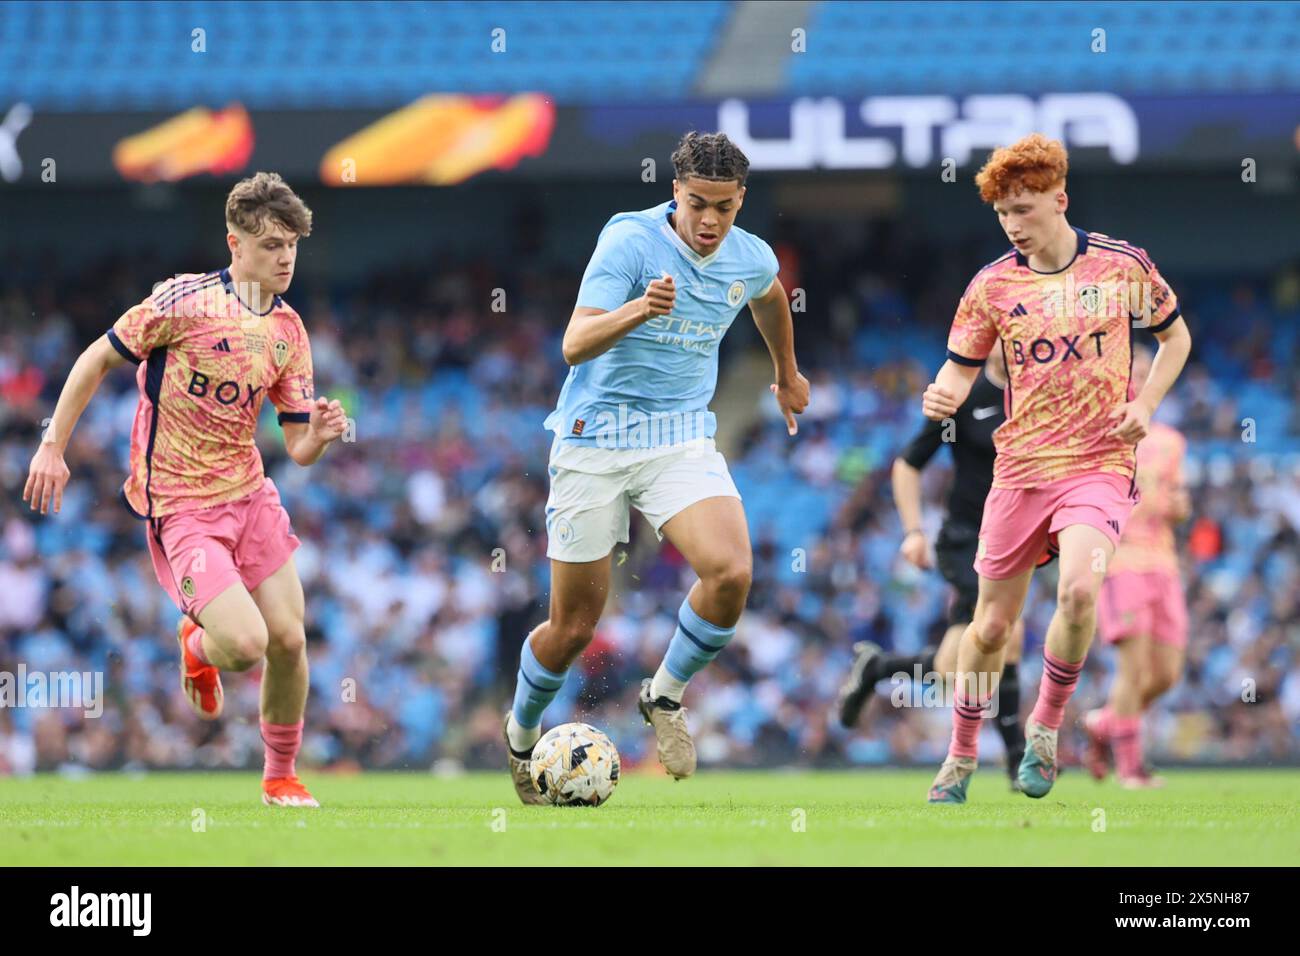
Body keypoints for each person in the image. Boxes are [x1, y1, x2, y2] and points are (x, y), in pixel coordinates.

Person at [503, 131, 810, 803]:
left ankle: (664, 695)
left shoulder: (750, 255)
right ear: (675, 191)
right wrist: (641, 308)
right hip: (594, 438)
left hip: (677, 437)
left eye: (724, 208)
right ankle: (522, 733)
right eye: (697, 203)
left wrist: (786, 374)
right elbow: (573, 343)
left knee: (731, 572)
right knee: (574, 628)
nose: (709, 221)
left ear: (740, 203)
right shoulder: (630, 243)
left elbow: (768, 296)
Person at [23, 172, 348, 807]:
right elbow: (96, 359)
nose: (285, 257)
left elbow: (300, 449)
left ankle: (279, 777)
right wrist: (52, 444)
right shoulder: (182, 303)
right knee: (246, 644)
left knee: (288, 639)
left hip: (250, 496)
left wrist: (325, 434)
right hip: (181, 506)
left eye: (293, 246)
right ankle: (196, 645)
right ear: (235, 244)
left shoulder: (289, 331)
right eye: (271, 245)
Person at [921, 134, 1192, 803]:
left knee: (1077, 592)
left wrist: (1146, 404)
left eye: (1025, 208)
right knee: (988, 628)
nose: (1015, 224)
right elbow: (957, 371)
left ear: (1059, 200)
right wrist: (942, 394)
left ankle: (1045, 727)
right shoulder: (991, 286)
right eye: (1004, 214)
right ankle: (960, 755)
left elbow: (1175, 338)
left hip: (1098, 464)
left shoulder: (1121, 268)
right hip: (1019, 472)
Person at [837, 345, 1027, 787]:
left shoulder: (1036, 397)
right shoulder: (961, 395)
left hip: (1015, 543)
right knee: (1004, 631)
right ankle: (1017, 759)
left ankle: (879, 668)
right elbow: (908, 463)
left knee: (953, 666)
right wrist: (913, 531)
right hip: (964, 541)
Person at [1085, 345, 1191, 788]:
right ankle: (1131, 768)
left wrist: (1179, 505)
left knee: (1166, 673)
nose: (1140, 378)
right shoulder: (1099, 433)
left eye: (1147, 371)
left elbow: (1179, 502)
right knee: (1131, 669)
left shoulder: (1170, 441)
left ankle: (1105, 724)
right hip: (1120, 561)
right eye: (1132, 370)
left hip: (1163, 564)